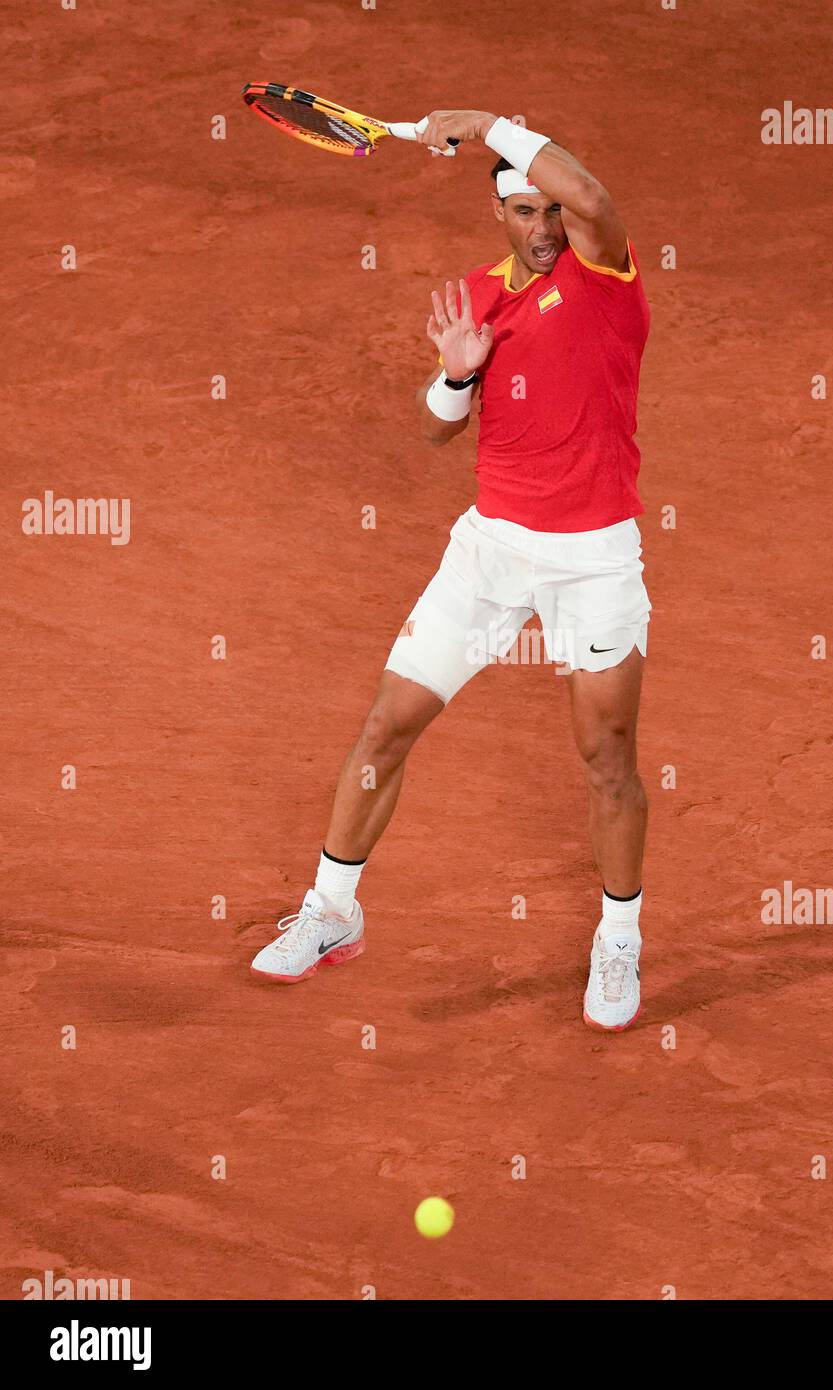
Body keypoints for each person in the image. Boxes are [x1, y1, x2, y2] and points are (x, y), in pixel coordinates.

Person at [251, 110, 651, 1030]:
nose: (545, 228)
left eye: (551, 210)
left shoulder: (605, 270)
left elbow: (591, 195)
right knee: (388, 724)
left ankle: (618, 935)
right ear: (498, 216)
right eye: (523, 212)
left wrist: (482, 120)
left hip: (592, 559)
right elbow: (437, 428)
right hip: (488, 551)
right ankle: (331, 911)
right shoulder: (479, 293)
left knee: (606, 759)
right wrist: (458, 373)